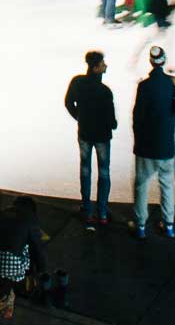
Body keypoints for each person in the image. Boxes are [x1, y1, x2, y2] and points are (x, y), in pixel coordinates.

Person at [130, 46, 175, 239]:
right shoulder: (173, 83)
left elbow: (136, 116)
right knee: (167, 185)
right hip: (166, 146)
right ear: (164, 61)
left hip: (145, 147)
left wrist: (138, 141)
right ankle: (168, 224)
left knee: (141, 185)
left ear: (151, 62)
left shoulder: (143, 86)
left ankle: (141, 225)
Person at [64, 51, 116, 230]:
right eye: (102, 64)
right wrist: (111, 124)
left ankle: (87, 209)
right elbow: (112, 121)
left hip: (84, 134)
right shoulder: (105, 92)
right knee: (104, 172)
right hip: (102, 137)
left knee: (85, 170)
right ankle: (102, 212)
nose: (105, 66)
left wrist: (79, 117)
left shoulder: (77, 83)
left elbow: (68, 103)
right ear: (96, 69)